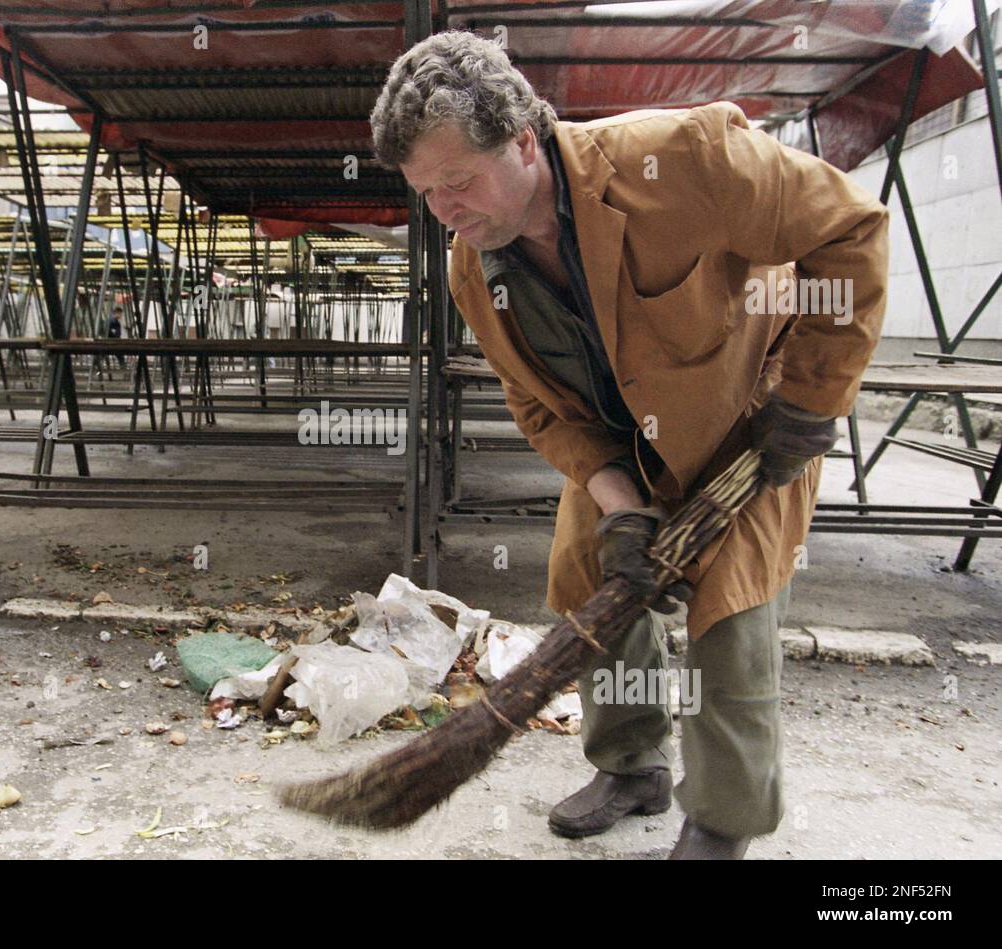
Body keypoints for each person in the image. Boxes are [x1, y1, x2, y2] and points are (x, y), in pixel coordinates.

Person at [370, 32, 888, 858]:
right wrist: (617, 501)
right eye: (425, 193)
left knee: (731, 625)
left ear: (524, 140)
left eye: (458, 181)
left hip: (750, 427)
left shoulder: (684, 160)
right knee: (592, 585)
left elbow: (851, 229)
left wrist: (809, 402)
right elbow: (537, 407)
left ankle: (722, 819)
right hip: (625, 445)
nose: (445, 212)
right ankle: (631, 762)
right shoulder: (477, 271)